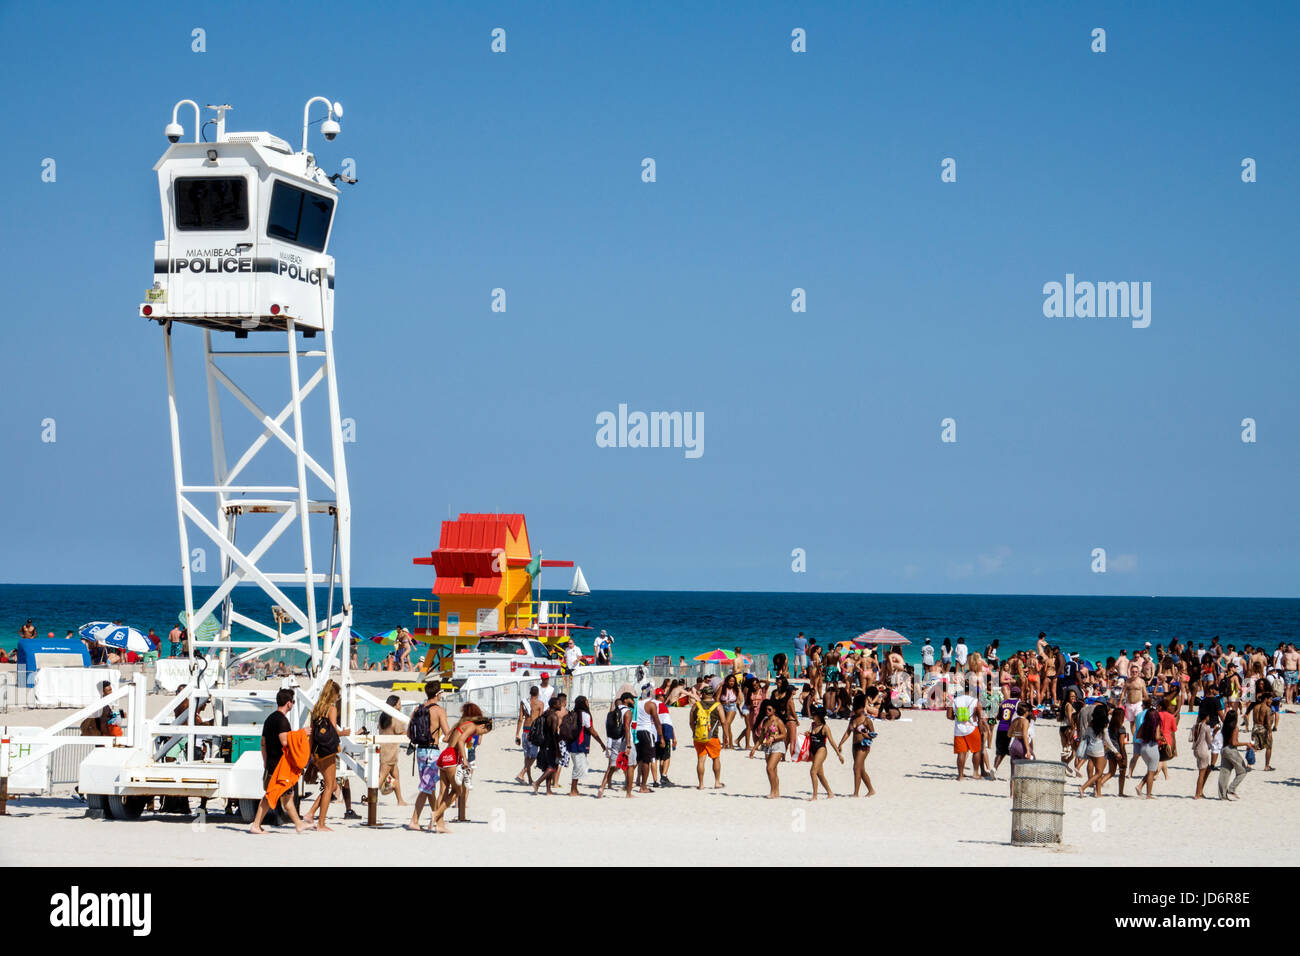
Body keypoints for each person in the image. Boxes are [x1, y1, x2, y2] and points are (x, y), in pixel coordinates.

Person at [249, 689, 310, 833]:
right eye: (293, 702)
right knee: (271, 796)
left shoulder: (270, 718)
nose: (293, 704)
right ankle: (256, 825)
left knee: (286, 796)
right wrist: (302, 733)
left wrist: (265, 761)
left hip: (272, 763)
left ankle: (298, 824)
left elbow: (263, 742)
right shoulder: (282, 720)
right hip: (279, 766)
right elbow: (284, 741)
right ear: (288, 703)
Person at [428, 707, 493, 832]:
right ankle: (436, 815)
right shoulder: (472, 727)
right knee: (458, 791)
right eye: (483, 732)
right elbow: (461, 741)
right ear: (483, 725)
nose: (480, 734)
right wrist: (464, 759)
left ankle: (439, 825)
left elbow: (447, 739)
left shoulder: (463, 724)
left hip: (444, 755)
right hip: (452, 757)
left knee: (443, 792)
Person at [304, 681, 350, 830]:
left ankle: (311, 813)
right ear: (333, 694)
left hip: (317, 752)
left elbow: (311, 734)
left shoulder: (316, 708)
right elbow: (333, 730)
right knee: (330, 786)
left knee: (333, 785)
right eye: (338, 695)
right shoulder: (331, 708)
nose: (338, 697)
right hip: (328, 751)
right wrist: (345, 733)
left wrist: (310, 755)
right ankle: (321, 823)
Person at [407, 682, 452, 830]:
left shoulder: (417, 709)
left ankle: (438, 822)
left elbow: (409, 733)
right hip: (432, 752)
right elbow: (447, 734)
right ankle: (414, 820)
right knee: (426, 787)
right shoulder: (439, 711)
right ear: (438, 694)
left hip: (419, 751)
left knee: (430, 787)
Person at [597, 691, 637, 799]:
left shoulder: (613, 712)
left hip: (614, 740)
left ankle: (601, 788)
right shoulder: (627, 711)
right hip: (625, 741)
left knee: (611, 766)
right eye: (631, 699)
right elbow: (627, 728)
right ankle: (628, 793)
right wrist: (628, 745)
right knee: (631, 766)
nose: (633, 701)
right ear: (625, 700)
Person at [563, 695, 605, 795]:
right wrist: (601, 743)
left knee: (578, 765)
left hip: (572, 743)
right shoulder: (585, 715)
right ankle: (573, 790)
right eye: (587, 701)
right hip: (579, 744)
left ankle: (575, 789)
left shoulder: (574, 713)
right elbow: (592, 730)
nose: (588, 703)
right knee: (579, 767)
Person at [838, 693, 876, 796]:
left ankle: (856, 793)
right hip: (854, 746)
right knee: (861, 769)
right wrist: (840, 743)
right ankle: (871, 790)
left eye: (857, 708)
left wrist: (866, 734)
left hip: (864, 746)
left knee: (856, 768)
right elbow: (848, 732)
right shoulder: (853, 719)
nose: (856, 710)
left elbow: (873, 735)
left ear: (862, 707)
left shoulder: (867, 720)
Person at [948, 686, 990, 781]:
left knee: (961, 753)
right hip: (972, 728)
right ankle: (975, 773)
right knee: (976, 751)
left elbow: (949, 716)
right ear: (972, 692)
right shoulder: (975, 701)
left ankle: (960, 775)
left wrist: (958, 718)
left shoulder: (954, 701)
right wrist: (982, 729)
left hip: (959, 729)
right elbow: (980, 718)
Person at [805, 704, 844, 800]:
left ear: (819, 717)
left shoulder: (825, 727)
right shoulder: (813, 725)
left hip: (821, 750)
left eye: (815, 715)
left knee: (813, 771)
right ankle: (830, 793)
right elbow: (811, 735)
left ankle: (815, 796)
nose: (813, 716)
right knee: (819, 774)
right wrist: (808, 733)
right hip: (813, 750)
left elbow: (831, 741)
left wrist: (839, 754)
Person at [689, 685, 724, 789]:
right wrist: (726, 736)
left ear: (703, 694)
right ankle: (717, 782)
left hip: (699, 736)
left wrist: (695, 732)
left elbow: (691, 723)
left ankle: (701, 784)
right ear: (712, 694)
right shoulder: (718, 705)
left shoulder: (696, 705)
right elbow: (724, 722)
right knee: (716, 758)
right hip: (713, 736)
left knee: (700, 760)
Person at [376, 694, 408, 806]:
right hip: (390, 752)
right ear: (394, 706)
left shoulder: (383, 717)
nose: (401, 706)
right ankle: (369, 798)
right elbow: (401, 732)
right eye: (399, 704)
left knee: (396, 776)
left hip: (384, 749)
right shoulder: (396, 718)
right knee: (381, 777)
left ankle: (400, 800)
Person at [750, 700, 785, 799]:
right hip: (767, 747)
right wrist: (754, 749)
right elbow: (761, 738)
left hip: (778, 745)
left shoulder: (778, 721)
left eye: (769, 709)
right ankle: (776, 792)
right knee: (773, 770)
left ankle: (773, 791)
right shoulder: (765, 721)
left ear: (774, 710)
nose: (767, 711)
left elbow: (784, 734)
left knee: (769, 768)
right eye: (766, 709)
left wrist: (774, 738)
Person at [633, 685, 664, 792]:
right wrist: (661, 737)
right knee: (647, 761)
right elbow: (657, 722)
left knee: (638, 759)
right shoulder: (651, 704)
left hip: (637, 732)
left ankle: (630, 782)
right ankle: (643, 786)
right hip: (647, 732)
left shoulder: (636, 703)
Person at [531, 697, 564, 795]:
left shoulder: (545, 714)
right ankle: (537, 783)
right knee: (552, 768)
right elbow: (554, 734)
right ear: (554, 705)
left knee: (547, 767)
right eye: (559, 703)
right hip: (550, 745)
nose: (560, 705)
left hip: (544, 744)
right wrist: (558, 749)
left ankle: (548, 790)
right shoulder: (553, 716)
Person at [1217, 709, 1252, 800]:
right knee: (1243, 771)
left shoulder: (1225, 726)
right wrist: (1246, 744)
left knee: (1224, 773)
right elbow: (1234, 743)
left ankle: (1222, 795)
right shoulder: (1234, 727)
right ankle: (1231, 789)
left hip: (1224, 749)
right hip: (1231, 750)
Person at [1132, 708, 1164, 800]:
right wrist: (1161, 738)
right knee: (1152, 772)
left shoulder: (1144, 724)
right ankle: (1148, 795)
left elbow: (1137, 736)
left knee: (1151, 770)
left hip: (1143, 748)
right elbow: (1157, 737)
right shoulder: (1156, 725)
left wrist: (1145, 736)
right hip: (1152, 748)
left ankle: (1140, 786)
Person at [515, 685, 543, 784]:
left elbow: (520, 719)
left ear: (530, 693)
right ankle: (521, 774)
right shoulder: (540, 704)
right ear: (538, 693)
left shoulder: (523, 702)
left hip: (524, 731)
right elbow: (540, 720)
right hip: (533, 732)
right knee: (534, 756)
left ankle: (530, 779)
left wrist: (517, 734)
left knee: (527, 757)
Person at [1192, 710, 1217, 799]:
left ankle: (1200, 792)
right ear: (1206, 717)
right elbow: (1210, 740)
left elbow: (1191, 739)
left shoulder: (1195, 726)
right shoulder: (1206, 727)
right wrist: (1214, 734)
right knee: (1201, 774)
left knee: (1204, 771)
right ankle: (1197, 794)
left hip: (1195, 750)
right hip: (1203, 750)